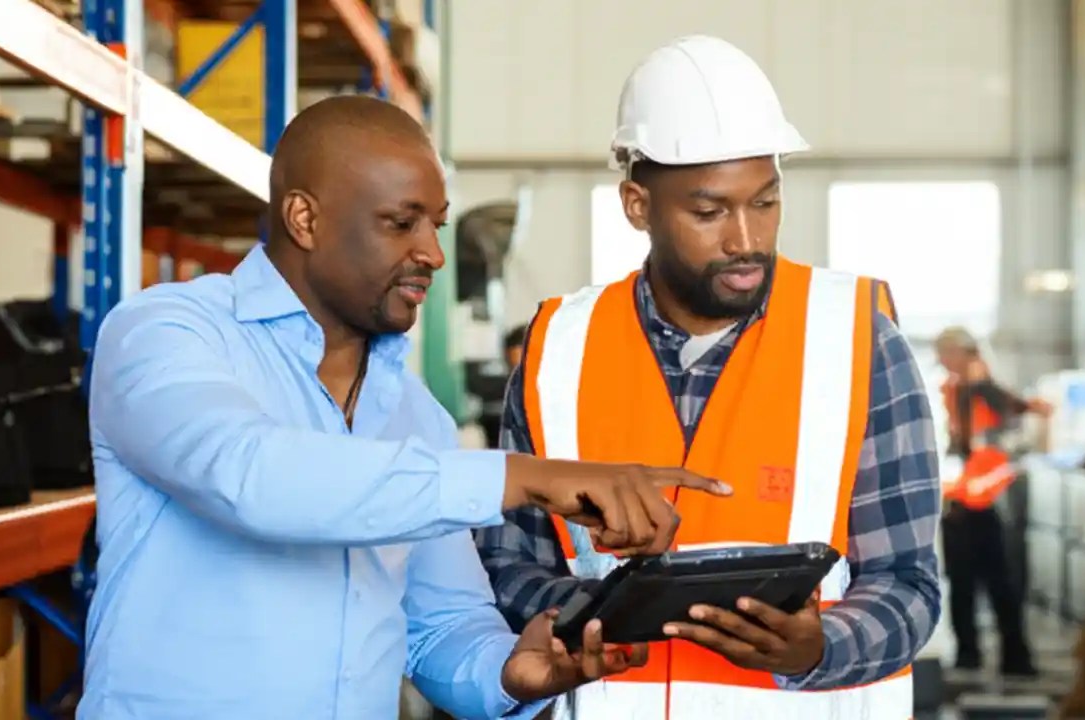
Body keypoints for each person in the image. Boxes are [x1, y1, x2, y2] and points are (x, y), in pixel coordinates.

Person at [77, 95, 731, 720]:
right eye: (401, 223)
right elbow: (250, 477)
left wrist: (508, 671)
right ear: (305, 219)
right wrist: (524, 476)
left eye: (436, 225)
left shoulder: (416, 418)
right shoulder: (166, 333)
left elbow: (440, 623)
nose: (434, 254)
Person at [474, 35, 943, 718]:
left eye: (765, 202)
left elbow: (910, 585)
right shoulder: (557, 347)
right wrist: (598, 614)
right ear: (637, 205)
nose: (746, 240)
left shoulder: (859, 339)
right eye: (709, 211)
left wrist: (816, 647)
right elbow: (508, 563)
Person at [935, 326, 1050, 676]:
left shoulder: (984, 392)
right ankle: (971, 655)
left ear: (964, 353)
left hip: (984, 504)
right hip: (962, 501)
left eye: (946, 354)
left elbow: (1005, 441)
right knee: (964, 584)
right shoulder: (957, 391)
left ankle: (1014, 658)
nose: (941, 362)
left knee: (1000, 583)